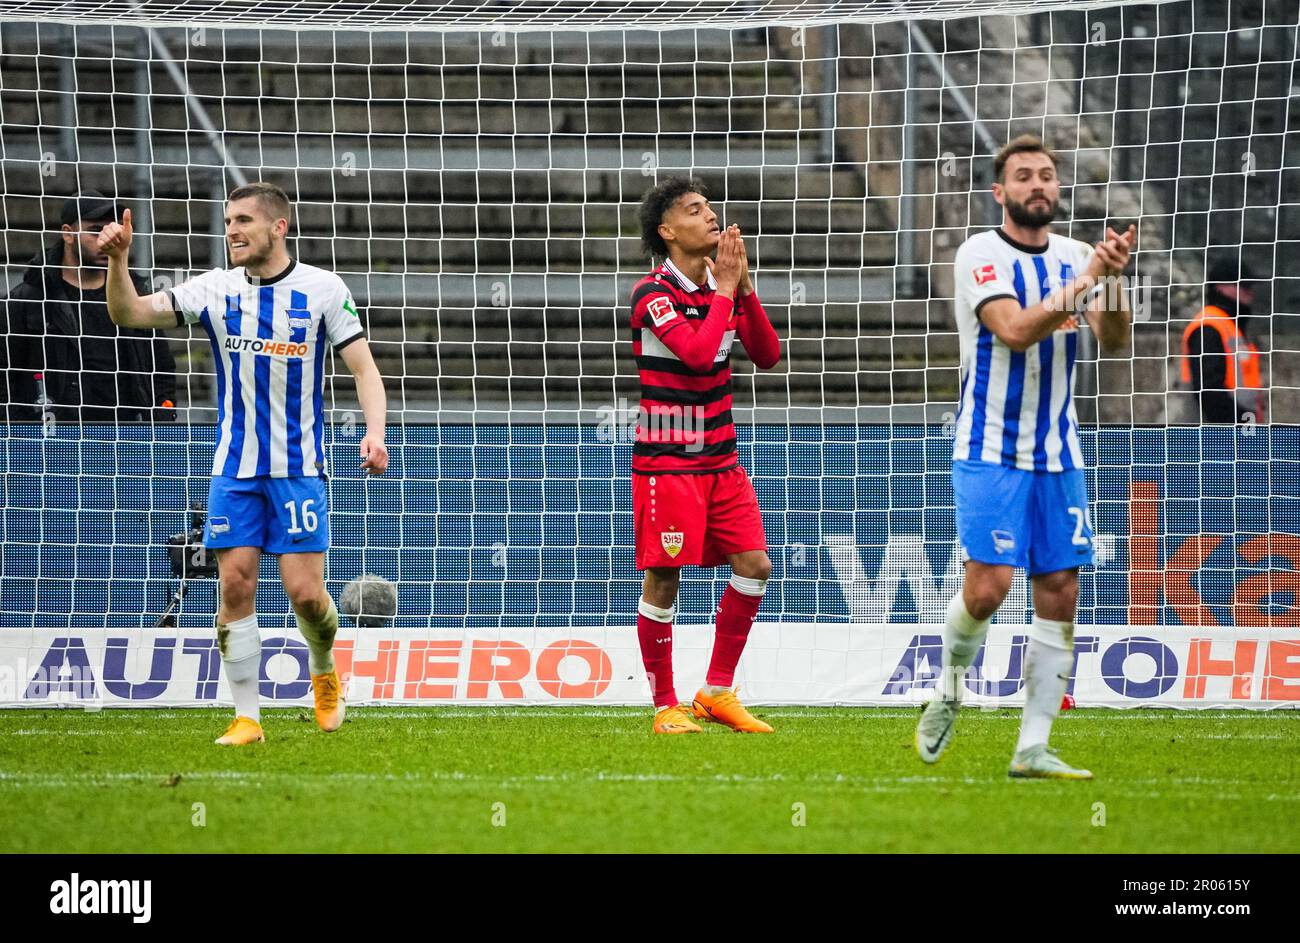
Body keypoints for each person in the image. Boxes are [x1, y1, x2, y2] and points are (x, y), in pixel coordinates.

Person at [98, 181, 389, 746]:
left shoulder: (324, 289)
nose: (231, 230)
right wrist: (119, 261)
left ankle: (324, 671)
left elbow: (364, 370)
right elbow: (129, 312)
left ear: (278, 228)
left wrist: (374, 432)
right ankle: (247, 717)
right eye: (228, 221)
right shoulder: (214, 289)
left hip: (299, 466)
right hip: (234, 467)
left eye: (243, 222)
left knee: (306, 595)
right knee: (235, 585)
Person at [917, 135, 1134, 779]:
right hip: (988, 446)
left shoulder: (1078, 256)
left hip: (1060, 451)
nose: (1038, 184)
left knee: (1060, 589)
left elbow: (1116, 344)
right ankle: (949, 689)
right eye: (1023, 176)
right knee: (989, 588)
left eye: (1046, 175)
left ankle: (1032, 746)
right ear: (1000, 191)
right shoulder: (979, 253)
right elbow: (1013, 331)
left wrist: (1115, 284)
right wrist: (1090, 279)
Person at [630, 177, 782, 735]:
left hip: (721, 460)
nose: (711, 216)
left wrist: (741, 288)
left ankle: (715, 691)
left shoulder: (720, 288)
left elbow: (768, 355)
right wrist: (724, 291)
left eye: (711, 207)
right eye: (696, 211)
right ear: (668, 231)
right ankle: (664, 705)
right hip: (668, 462)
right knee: (665, 578)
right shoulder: (652, 293)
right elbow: (695, 357)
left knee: (756, 566)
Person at [1, 190, 176, 421]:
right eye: (96, 231)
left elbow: (161, 368)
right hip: (52, 441)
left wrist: (162, 418)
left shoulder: (136, 296)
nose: (107, 239)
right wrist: (17, 431)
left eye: (112, 230)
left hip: (124, 438)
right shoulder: (30, 298)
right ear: (68, 234)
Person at [1180, 258, 1265, 424]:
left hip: (1237, 433)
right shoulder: (1209, 327)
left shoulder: (1232, 326)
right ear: (1221, 288)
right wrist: (1245, 422)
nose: (1250, 292)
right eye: (1243, 286)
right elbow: (1209, 390)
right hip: (1215, 436)